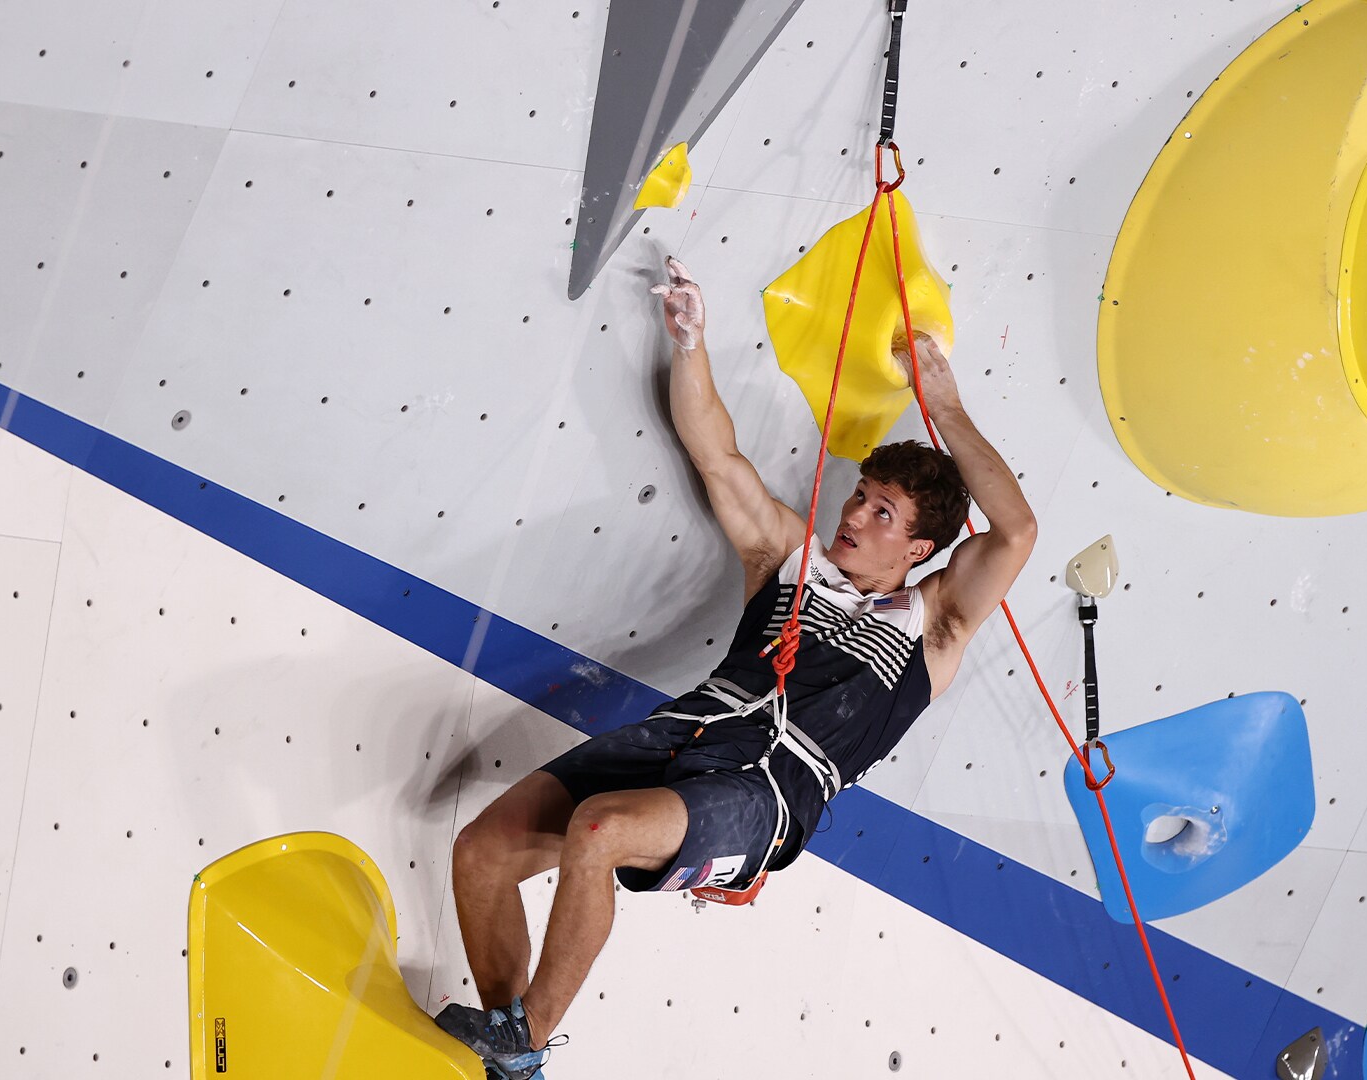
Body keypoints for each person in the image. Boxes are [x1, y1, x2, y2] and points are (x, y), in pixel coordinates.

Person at [434, 256, 1037, 1078]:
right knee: (481, 854)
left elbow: (1015, 533)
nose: (854, 513)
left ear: (920, 549)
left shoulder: (934, 625)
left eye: (881, 512)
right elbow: (716, 454)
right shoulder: (793, 559)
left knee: (600, 831)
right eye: (861, 494)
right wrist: (691, 343)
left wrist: (948, 407)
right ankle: (514, 1052)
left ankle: (530, 1039)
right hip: (681, 734)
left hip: (766, 794)